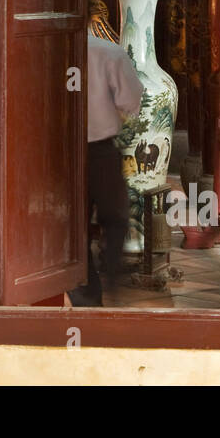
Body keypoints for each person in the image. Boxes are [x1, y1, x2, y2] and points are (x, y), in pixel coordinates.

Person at [69, 32, 145, 307]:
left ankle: (85, 293)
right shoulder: (108, 52)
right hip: (100, 149)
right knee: (114, 217)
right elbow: (132, 98)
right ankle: (110, 275)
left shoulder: (48, 49)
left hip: (58, 152)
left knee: (71, 225)